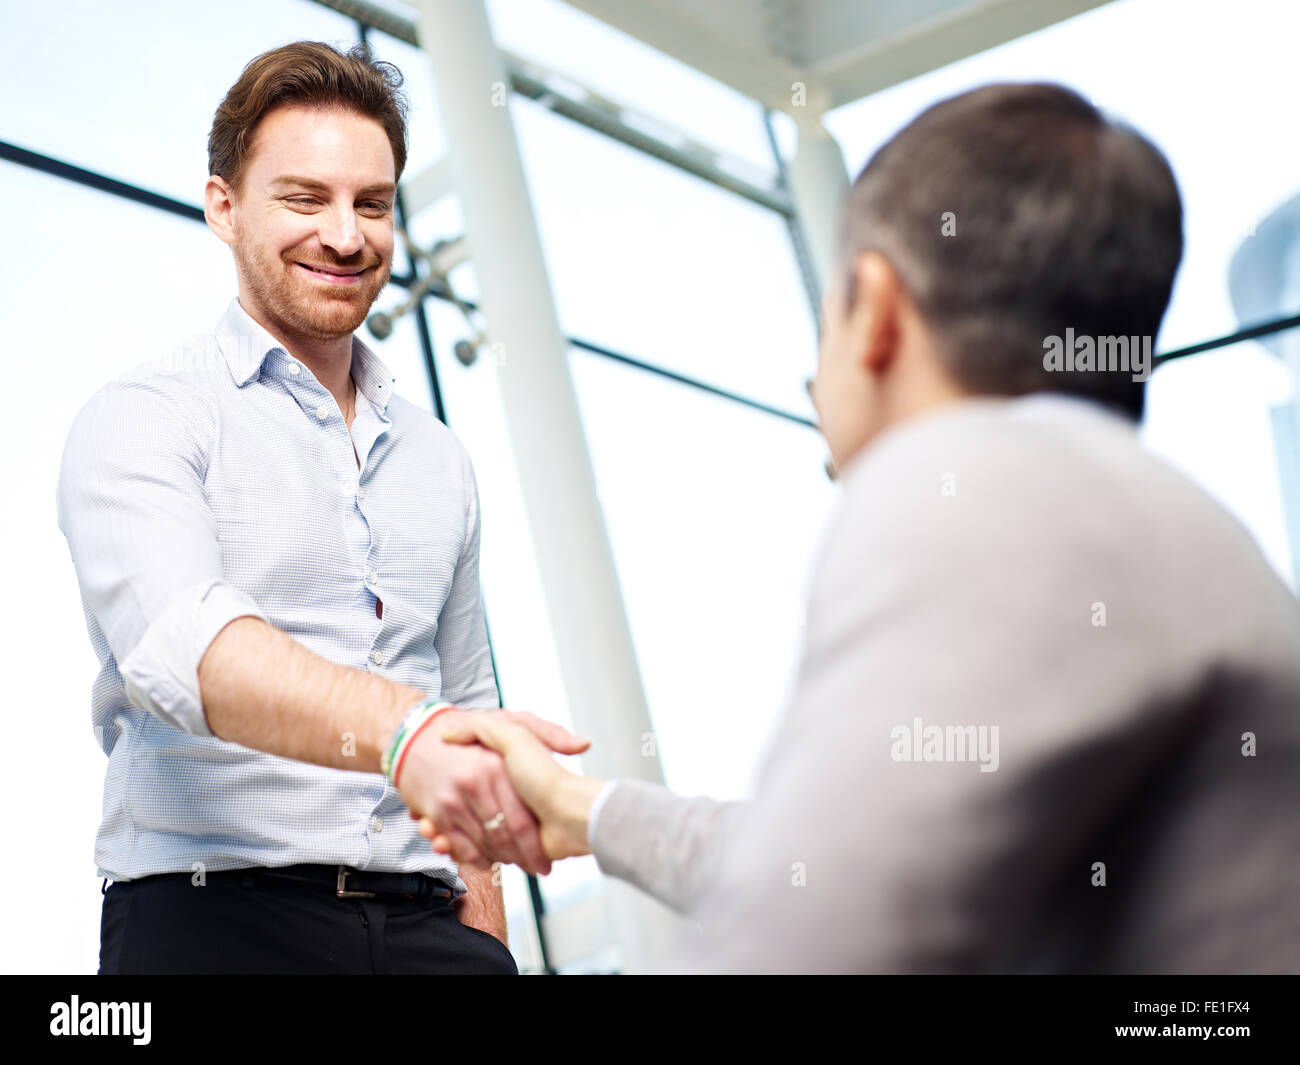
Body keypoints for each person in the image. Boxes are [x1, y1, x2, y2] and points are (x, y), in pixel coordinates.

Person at [413, 82, 1300, 974]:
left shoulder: (965, 488)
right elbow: (826, 864)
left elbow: (804, 942)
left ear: (874, 309)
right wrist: (583, 811)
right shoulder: (1178, 530)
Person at [55, 41, 584, 975]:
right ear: (223, 206)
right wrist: (407, 732)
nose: (345, 236)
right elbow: (192, 651)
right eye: (305, 199)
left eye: (371, 205)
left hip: (431, 930)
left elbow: (462, 697)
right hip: (215, 928)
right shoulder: (143, 419)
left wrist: (485, 932)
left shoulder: (439, 459)